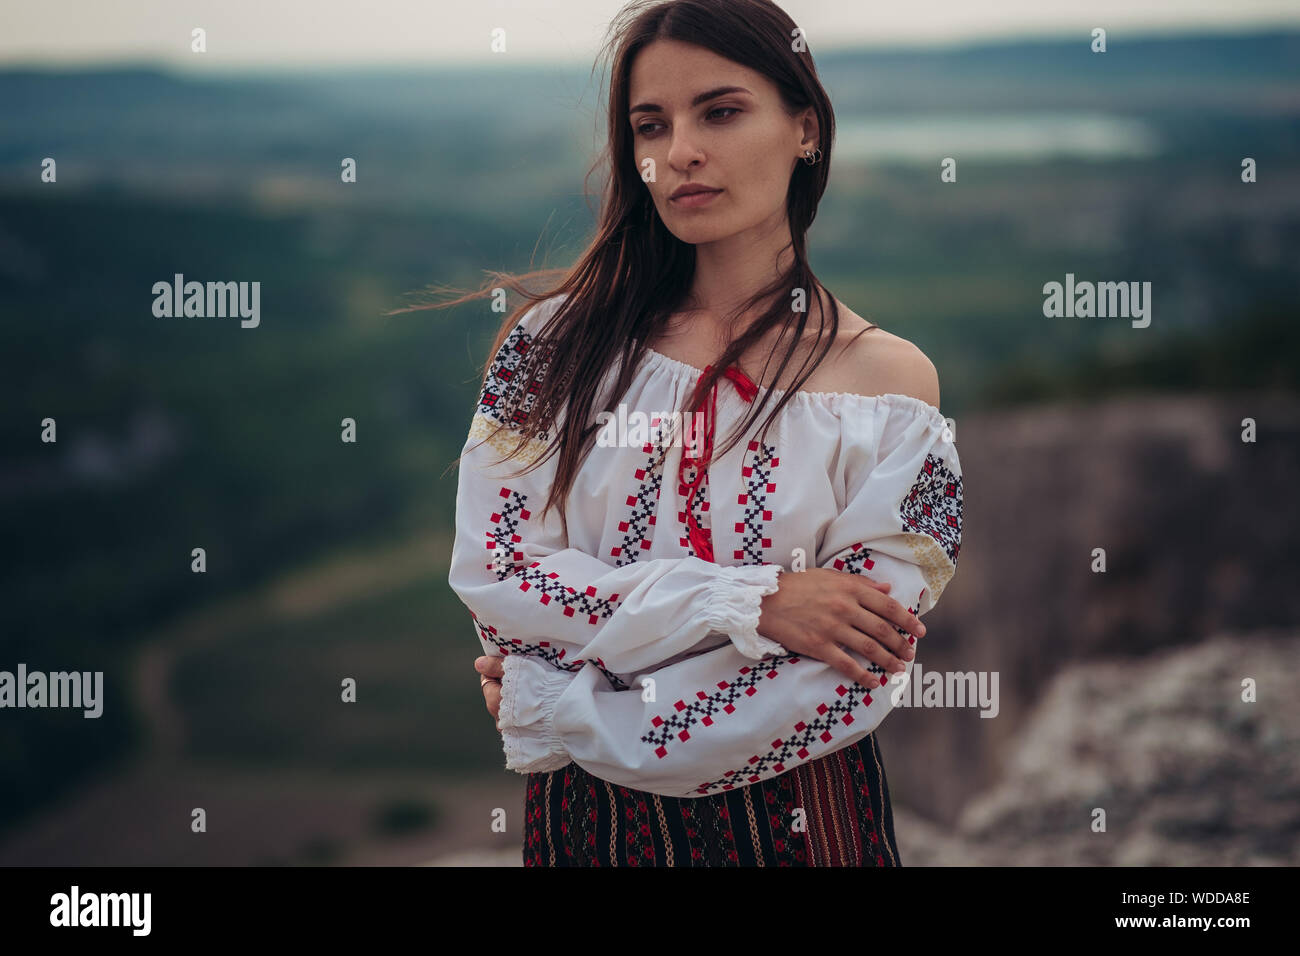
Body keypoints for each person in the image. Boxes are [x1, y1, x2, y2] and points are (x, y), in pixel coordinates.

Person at [444, 0, 964, 866]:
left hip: (804, 825)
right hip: (587, 831)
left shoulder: (890, 389)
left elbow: (849, 677)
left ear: (805, 128)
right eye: (652, 124)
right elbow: (501, 583)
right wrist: (754, 603)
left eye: (720, 112)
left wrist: (566, 700)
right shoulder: (551, 350)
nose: (679, 149)